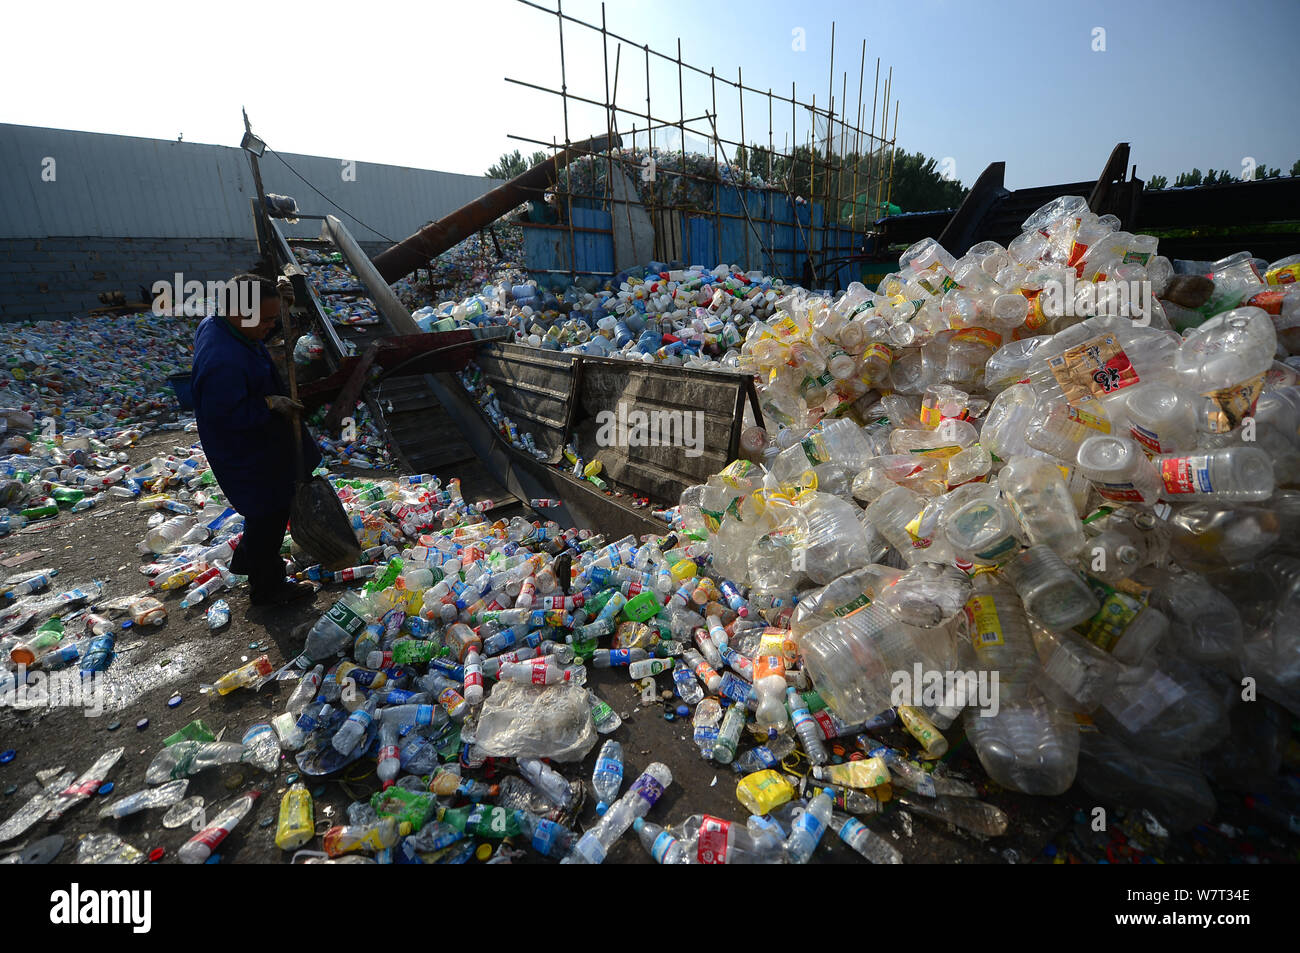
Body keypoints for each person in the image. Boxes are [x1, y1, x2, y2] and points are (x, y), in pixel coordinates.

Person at [191, 272, 319, 606]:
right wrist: (267, 403)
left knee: (268, 509)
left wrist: (283, 305)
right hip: (245, 450)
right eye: (266, 320)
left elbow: (261, 325)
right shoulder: (223, 359)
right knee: (269, 513)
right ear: (237, 312)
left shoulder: (224, 325)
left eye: (273, 319)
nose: (271, 327)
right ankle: (268, 589)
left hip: (261, 439)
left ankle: (246, 560)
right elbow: (227, 416)